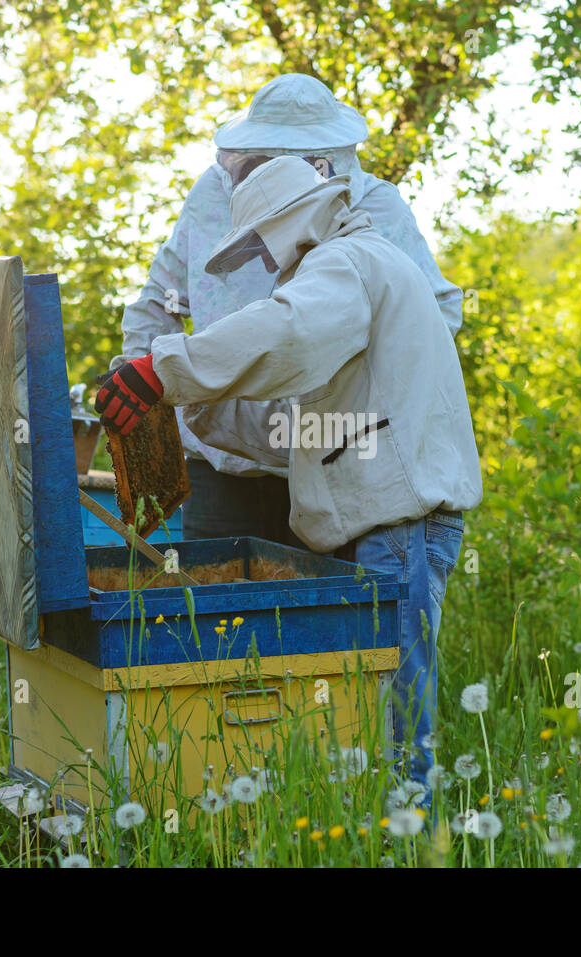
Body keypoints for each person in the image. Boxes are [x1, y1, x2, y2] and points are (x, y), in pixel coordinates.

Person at [95, 156, 483, 784]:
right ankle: (382, 838)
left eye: (263, 245)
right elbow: (294, 431)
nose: (268, 263)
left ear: (290, 223)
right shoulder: (353, 275)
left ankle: (414, 844)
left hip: (402, 528)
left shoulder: (348, 262)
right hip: (391, 528)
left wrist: (162, 370)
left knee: (396, 720)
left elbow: (284, 332)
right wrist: (186, 414)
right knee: (376, 711)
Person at [111, 73, 463, 549]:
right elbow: (158, 301)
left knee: (321, 612)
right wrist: (149, 383)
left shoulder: (366, 227)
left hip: (337, 461)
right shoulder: (210, 197)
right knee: (217, 616)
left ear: (319, 169)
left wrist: (378, 414)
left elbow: (294, 327)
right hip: (223, 463)